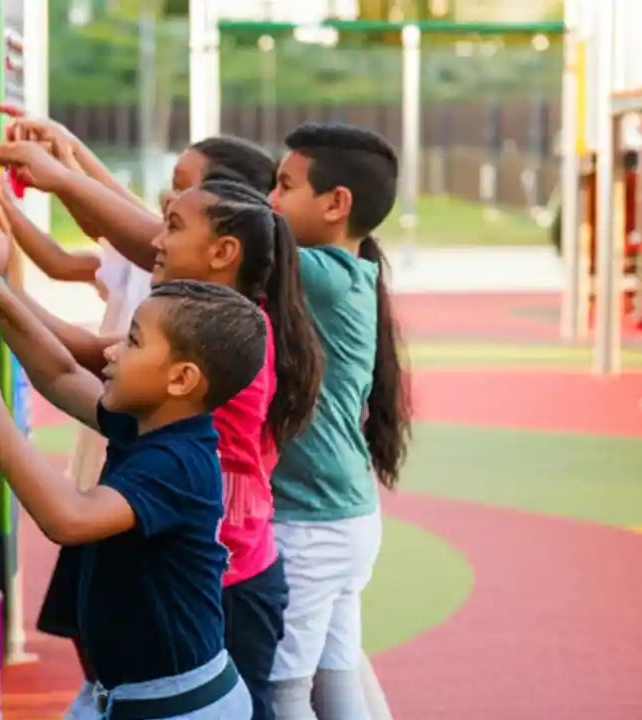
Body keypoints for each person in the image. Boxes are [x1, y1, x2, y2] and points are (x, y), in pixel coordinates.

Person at [0, 130, 322, 719]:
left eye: (172, 226)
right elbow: (69, 370)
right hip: (182, 552)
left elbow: (82, 363)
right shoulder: (187, 351)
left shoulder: (199, 395)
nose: (155, 240)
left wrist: (62, 178)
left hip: (228, 573)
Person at [0, 205, 266, 718]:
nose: (109, 353)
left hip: (177, 708)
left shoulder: (179, 462)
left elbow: (71, 517)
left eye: (131, 342)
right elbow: (61, 374)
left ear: (180, 379)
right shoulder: (149, 421)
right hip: (131, 697)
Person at [265, 123, 411, 720]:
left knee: (284, 690)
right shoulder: (349, 272)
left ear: (336, 204)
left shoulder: (319, 273)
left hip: (309, 526)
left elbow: (177, 242)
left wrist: (68, 172)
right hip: (343, 516)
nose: (271, 201)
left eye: (284, 186)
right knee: (333, 675)